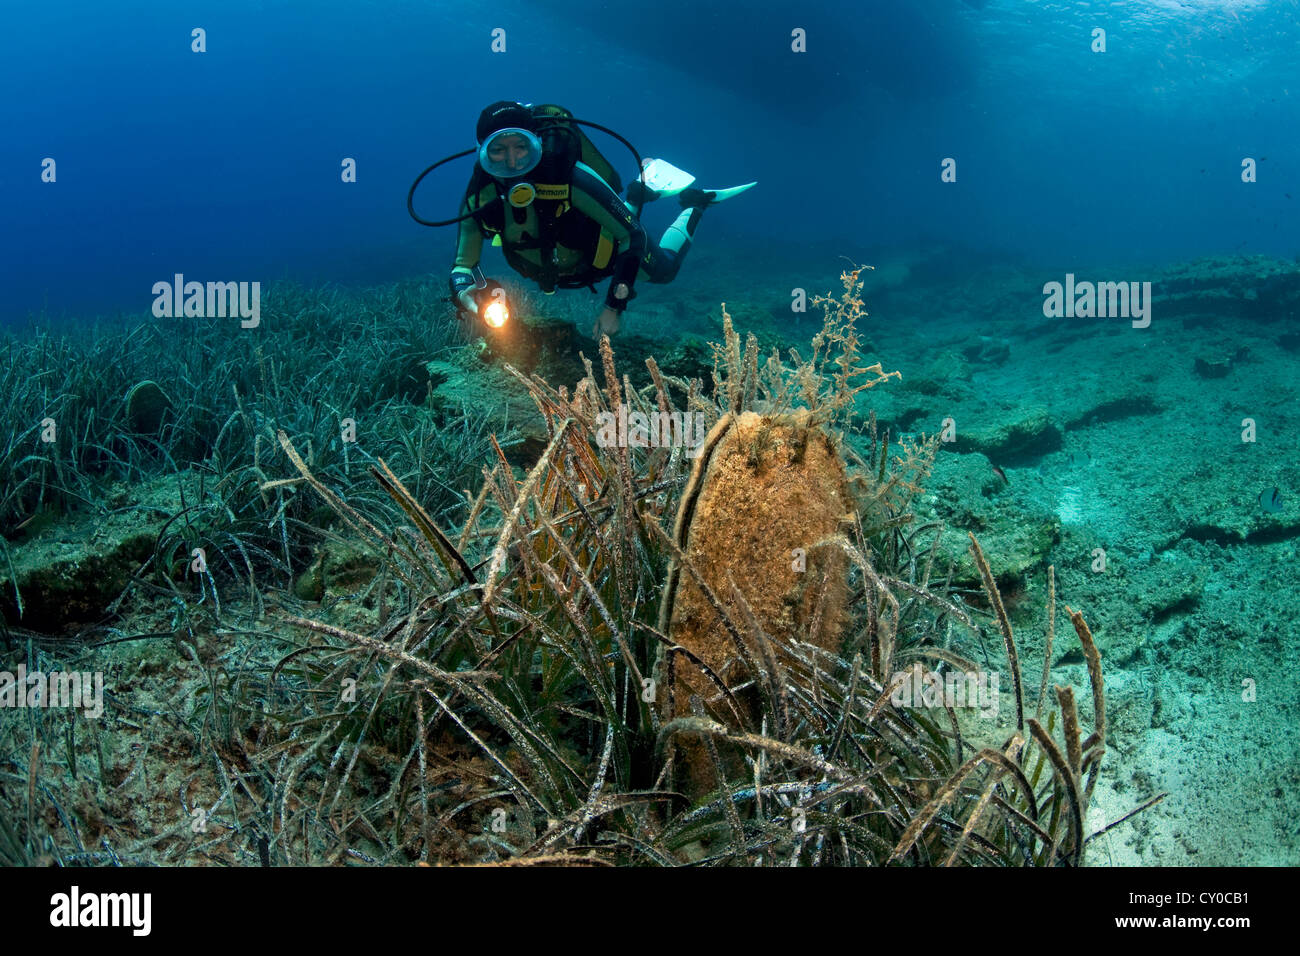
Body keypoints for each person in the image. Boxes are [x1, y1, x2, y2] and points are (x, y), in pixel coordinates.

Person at [448, 101, 753, 338]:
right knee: (617, 213)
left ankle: (696, 204)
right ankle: (638, 192)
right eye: (498, 150)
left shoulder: (569, 179)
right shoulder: (480, 197)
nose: (513, 161)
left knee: (665, 270)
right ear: (482, 152)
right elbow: (463, 266)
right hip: (561, 262)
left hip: (603, 257)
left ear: (536, 144)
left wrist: (614, 307)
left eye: (521, 147)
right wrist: (465, 293)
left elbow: (631, 236)